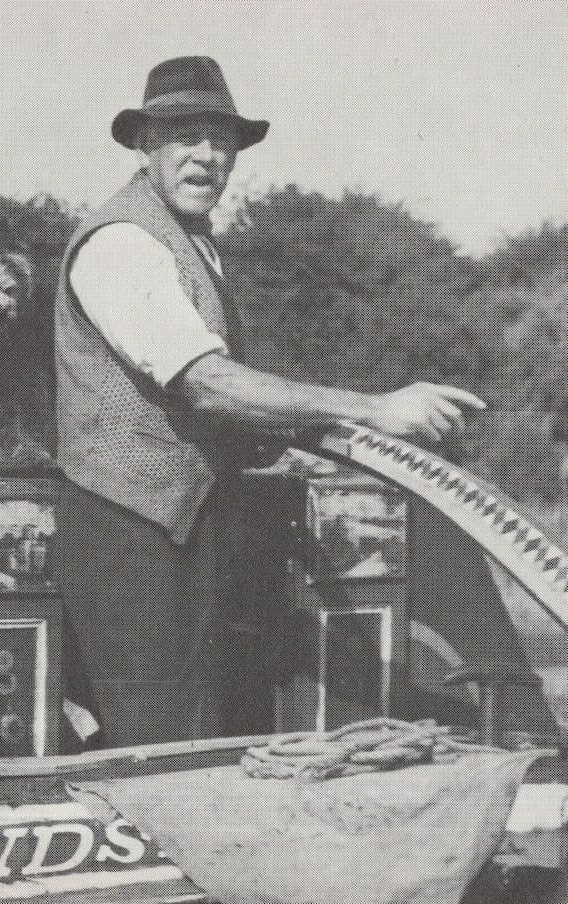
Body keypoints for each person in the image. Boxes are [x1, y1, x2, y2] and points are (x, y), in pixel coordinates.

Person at [52, 56, 485, 747]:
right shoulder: (122, 243)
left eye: (219, 141)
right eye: (183, 137)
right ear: (144, 147)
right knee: (161, 743)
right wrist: (372, 410)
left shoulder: (189, 244)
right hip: (130, 532)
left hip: (179, 524)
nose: (205, 157)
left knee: (197, 730)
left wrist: (285, 441)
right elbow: (205, 382)